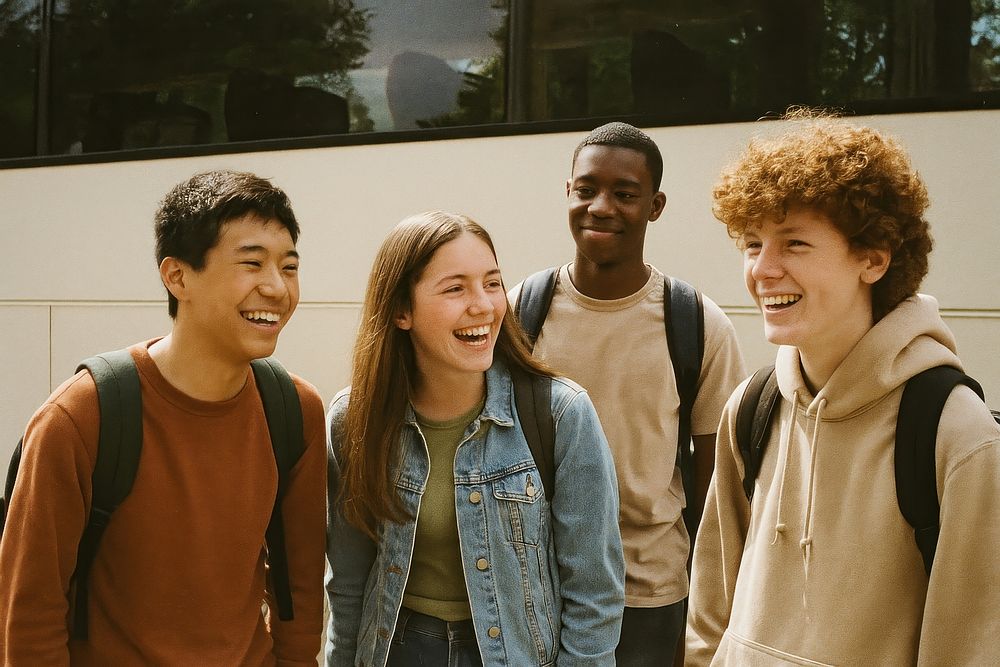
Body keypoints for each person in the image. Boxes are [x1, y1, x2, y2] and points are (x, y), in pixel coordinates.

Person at [686, 110, 1000, 665]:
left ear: (873, 259)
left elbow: (968, 649)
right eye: (753, 243)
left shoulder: (957, 433)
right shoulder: (752, 407)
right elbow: (710, 621)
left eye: (795, 244)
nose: (763, 269)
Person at [0, 170, 328, 664]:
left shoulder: (295, 411)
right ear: (177, 276)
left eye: (289, 266)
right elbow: (29, 616)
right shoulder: (80, 417)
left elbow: (298, 594)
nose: (277, 288)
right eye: (252, 263)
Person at [325, 211, 624, 666]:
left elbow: (595, 594)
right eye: (455, 288)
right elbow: (347, 582)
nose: (483, 305)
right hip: (395, 650)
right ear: (401, 311)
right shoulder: (356, 419)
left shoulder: (561, 414)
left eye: (492, 283)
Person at [509, 121, 746, 665]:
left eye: (625, 194)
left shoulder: (697, 324)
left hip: (650, 591)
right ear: (567, 193)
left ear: (655, 206)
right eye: (587, 190)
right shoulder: (524, 307)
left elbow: (719, 486)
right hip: (537, 579)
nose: (601, 207)